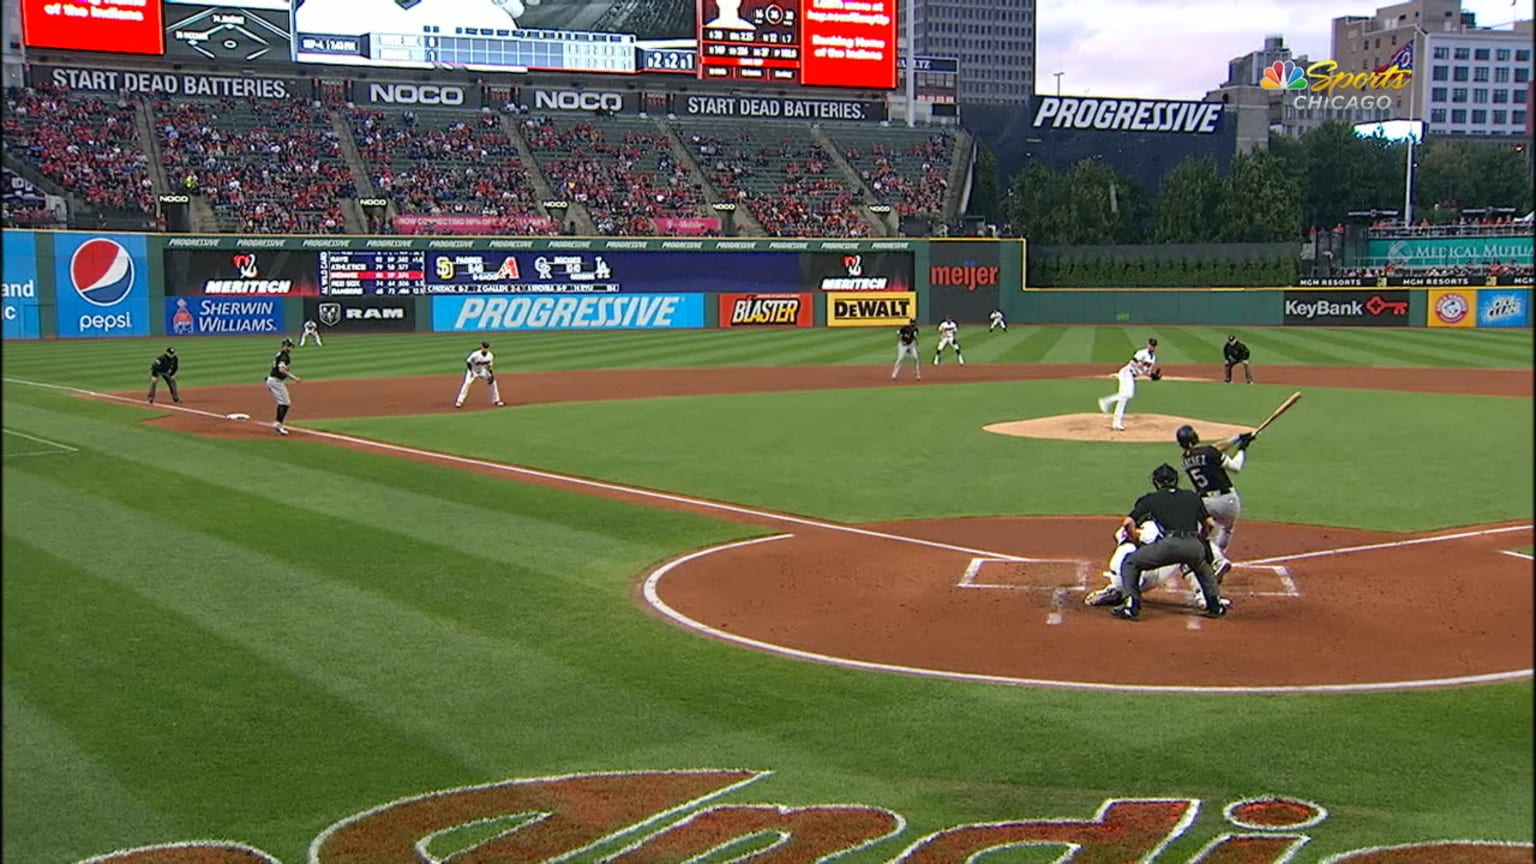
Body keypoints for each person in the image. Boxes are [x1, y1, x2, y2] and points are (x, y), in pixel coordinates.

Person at [1102, 463, 1226, 621]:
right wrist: (1201, 538)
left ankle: (1131, 605)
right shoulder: (1192, 496)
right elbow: (1210, 524)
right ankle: (1215, 605)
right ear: (1176, 480)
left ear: (1156, 482)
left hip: (1168, 544)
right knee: (1203, 566)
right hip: (1193, 544)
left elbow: (1128, 523)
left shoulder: (1150, 499)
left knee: (1131, 563)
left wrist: (1135, 538)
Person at [1085, 519, 1219, 612]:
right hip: (1145, 577)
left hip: (1122, 576)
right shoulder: (1154, 527)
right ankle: (1203, 596)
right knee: (1185, 551)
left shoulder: (1122, 531)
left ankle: (1116, 590)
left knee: (1129, 563)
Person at [1177, 424, 1256, 582]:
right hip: (1229, 501)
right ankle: (1218, 559)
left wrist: (1238, 437)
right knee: (1227, 530)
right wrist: (1243, 447)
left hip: (1206, 503)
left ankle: (1217, 560)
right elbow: (1235, 467)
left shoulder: (1185, 459)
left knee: (1202, 536)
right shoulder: (1210, 452)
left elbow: (1215, 448)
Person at [1097, 337, 1158, 432]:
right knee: (1129, 394)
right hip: (1127, 372)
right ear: (1148, 344)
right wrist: (1140, 366)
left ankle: (1116, 424)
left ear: (1155, 347)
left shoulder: (1153, 358)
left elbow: (1146, 371)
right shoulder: (1141, 353)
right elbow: (1132, 362)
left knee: (1123, 399)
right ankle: (1106, 401)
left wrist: (1152, 376)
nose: (1152, 347)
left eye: (1154, 345)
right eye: (1151, 344)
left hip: (1131, 376)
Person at [265, 337, 301, 436]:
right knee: (285, 403)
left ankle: (278, 423)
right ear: (286, 346)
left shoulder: (280, 354)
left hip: (273, 380)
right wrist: (294, 378)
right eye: (290, 346)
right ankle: (278, 424)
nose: (291, 348)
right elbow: (281, 369)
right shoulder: (284, 356)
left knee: (284, 403)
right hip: (276, 381)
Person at [456, 341, 505, 408]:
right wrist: (471, 372)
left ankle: (496, 400)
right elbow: (468, 361)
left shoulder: (490, 355)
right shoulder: (475, 354)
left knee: (493, 382)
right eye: (484, 347)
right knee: (467, 383)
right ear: (481, 347)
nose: (485, 349)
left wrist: (491, 375)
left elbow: (489, 366)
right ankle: (459, 401)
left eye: (487, 348)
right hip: (472, 371)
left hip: (482, 371)